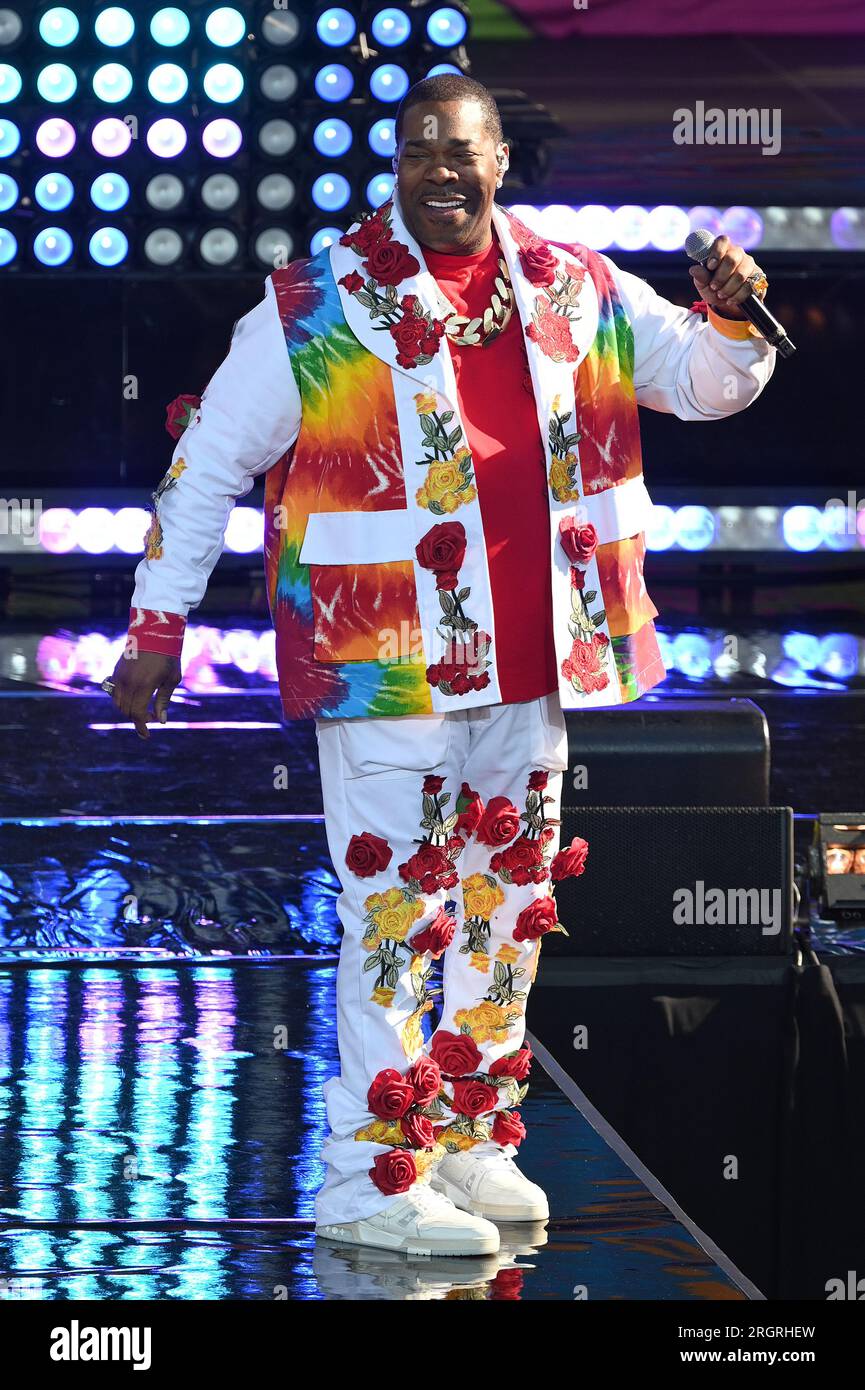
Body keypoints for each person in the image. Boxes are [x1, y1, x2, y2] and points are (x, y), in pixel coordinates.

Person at [105, 74, 776, 1258]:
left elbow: (703, 387)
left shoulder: (573, 283)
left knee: (504, 906)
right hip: (387, 671)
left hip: (530, 668)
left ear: (499, 162)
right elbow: (205, 463)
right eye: (418, 148)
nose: (440, 168)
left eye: (460, 148)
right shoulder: (317, 304)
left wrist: (734, 319)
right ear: (397, 165)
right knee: (394, 917)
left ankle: (469, 1131)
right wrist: (157, 627)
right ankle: (368, 1181)